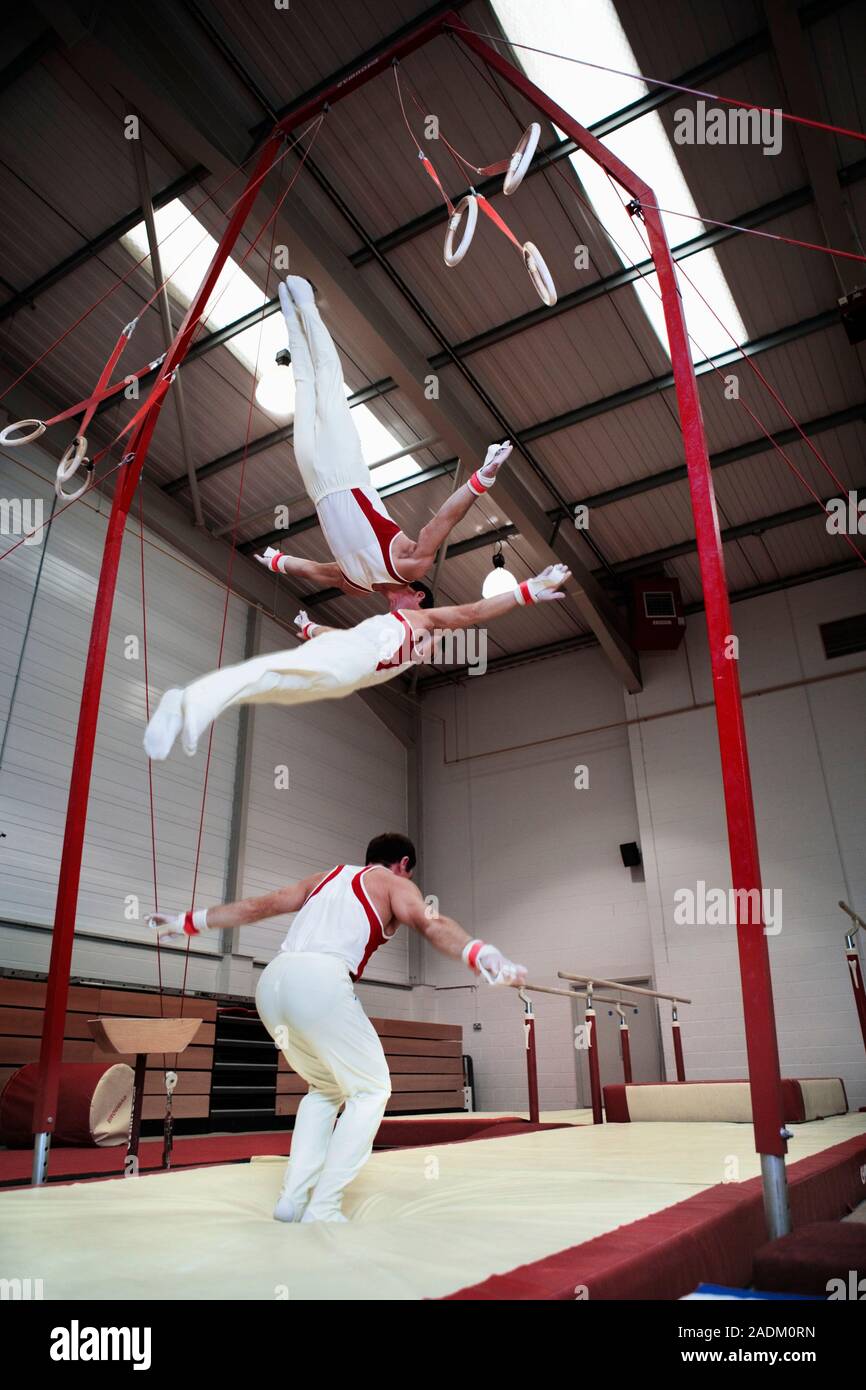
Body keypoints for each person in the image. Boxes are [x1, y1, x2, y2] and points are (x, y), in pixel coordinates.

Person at [147, 831, 526, 1223]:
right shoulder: (394, 884)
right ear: (405, 865)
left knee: (326, 1089)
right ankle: (324, 1205)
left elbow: (262, 905)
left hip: (272, 982)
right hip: (320, 981)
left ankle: (291, 1200)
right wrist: (478, 951)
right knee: (372, 1089)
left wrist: (188, 921)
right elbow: (431, 922)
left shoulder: (324, 878)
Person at [254, 275, 512, 608]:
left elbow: (318, 572)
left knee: (304, 390)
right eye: (417, 617)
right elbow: (442, 521)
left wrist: (278, 563)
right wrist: (483, 479)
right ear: (419, 595)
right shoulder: (410, 565)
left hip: (317, 489)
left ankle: (291, 317)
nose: (407, 623)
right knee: (328, 389)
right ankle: (307, 307)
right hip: (348, 475)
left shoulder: (358, 586)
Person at [143, 564, 571, 760]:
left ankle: (189, 705)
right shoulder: (388, 621)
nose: (389, 589)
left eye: (398, 586)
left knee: (274, 686)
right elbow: (347, 643)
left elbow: (474, 612)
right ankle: (193, 703)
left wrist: (526, 591)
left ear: (418, 595)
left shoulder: (422, 617)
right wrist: (312, 630)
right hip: (353, 661)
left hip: (354, 676)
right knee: (274, 673)